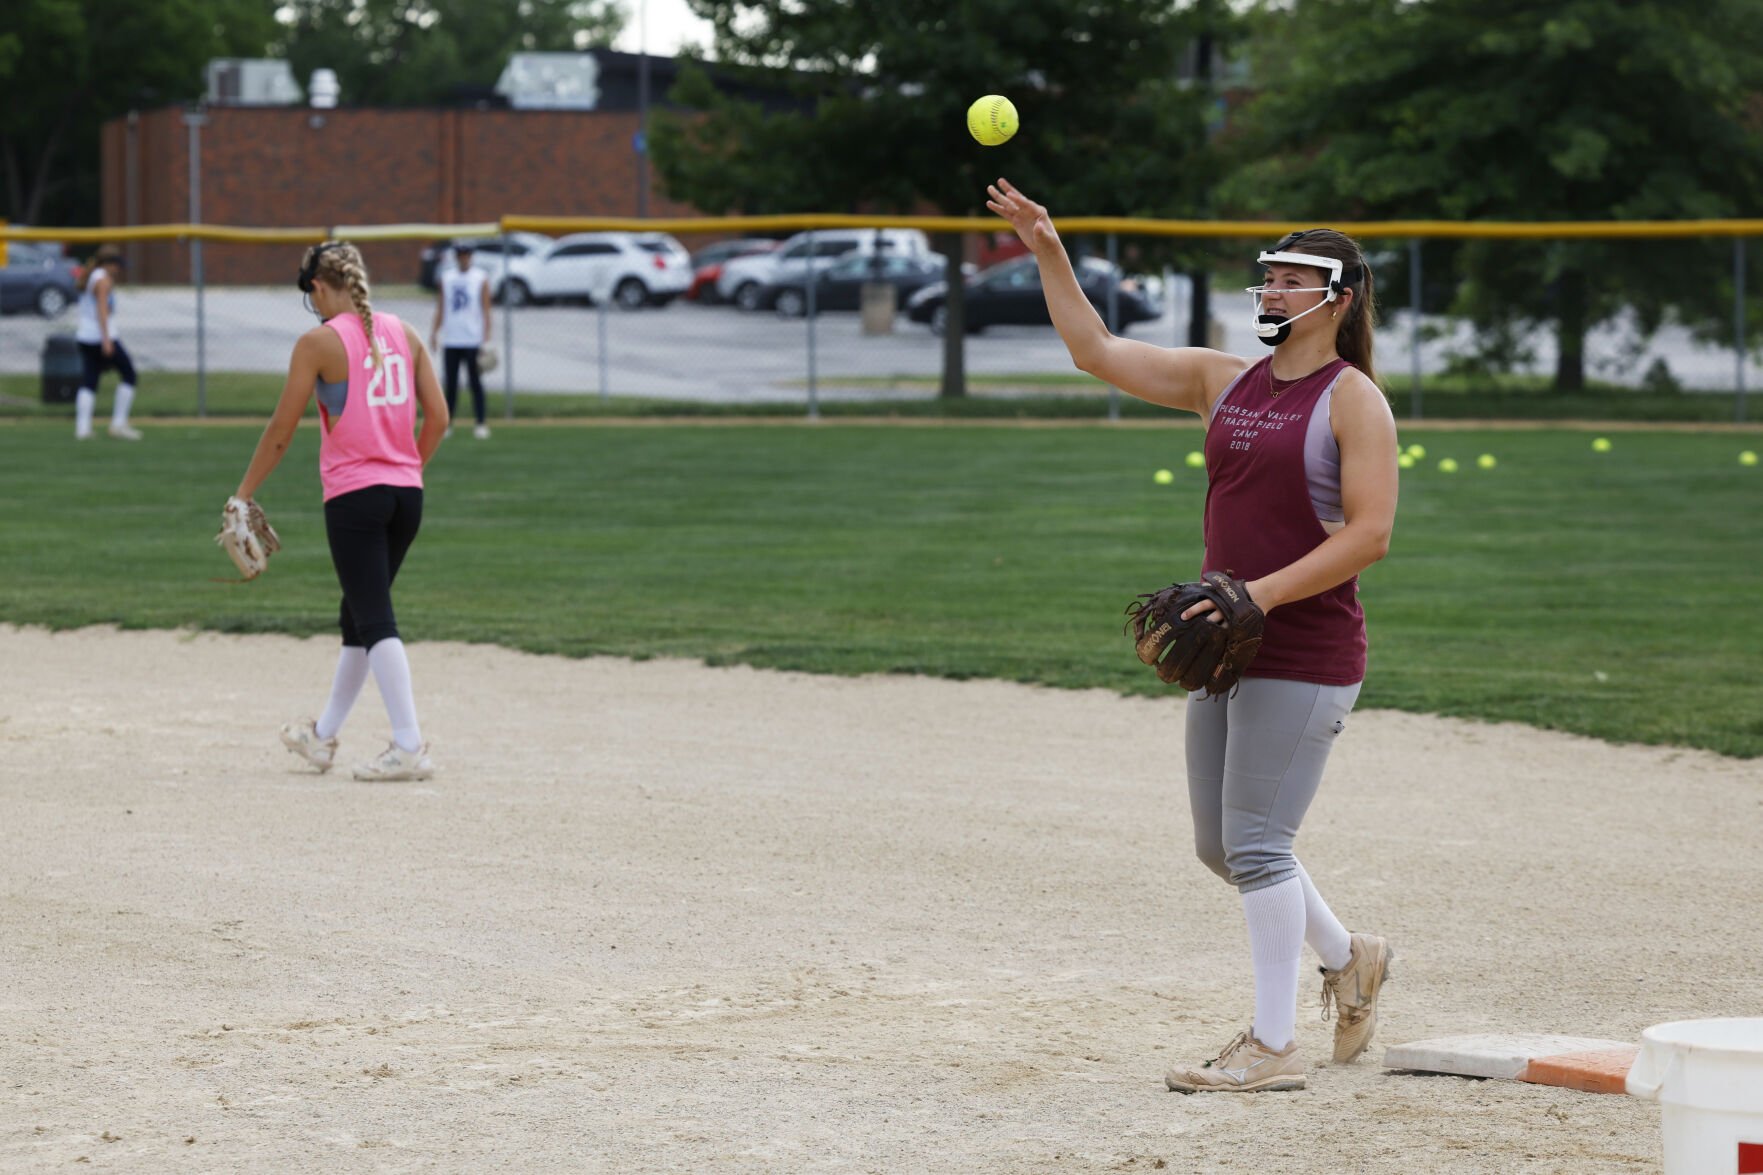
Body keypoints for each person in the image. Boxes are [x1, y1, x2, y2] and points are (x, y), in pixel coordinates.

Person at [986, 179, 1400, 1094]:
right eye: (1269, 278)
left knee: (1256, 843)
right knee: (1223, 847)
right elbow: (1093, 351)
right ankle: (1349, 956)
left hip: (1306, 651)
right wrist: (1047, 245)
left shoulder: (1352, 399)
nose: (1273, 292)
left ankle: (1271, 1045)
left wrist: (1256, 593)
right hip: (1230, 639)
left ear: (1338, 297)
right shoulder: (1226, 380)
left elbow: (1368, 534)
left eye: (1293, 279)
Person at [233, 241, 449, 781]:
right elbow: (439, 420)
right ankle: (322, 736)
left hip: (355, 496)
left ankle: (409, 745)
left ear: (317, 288)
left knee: (375, 619)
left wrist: (244, 493)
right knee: (357, 614)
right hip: (406, 495)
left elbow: (281, 432)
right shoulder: (407, 332)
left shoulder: (319, 343)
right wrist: (406, 469)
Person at [72, 246, 141, 440]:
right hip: (100, 337)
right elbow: (101, 311)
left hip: (85, 336)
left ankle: (83, 429)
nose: (118, 270)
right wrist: (106, 340)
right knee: (129, 374)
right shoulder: (102, 279)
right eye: (117, 265)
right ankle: (118, 424)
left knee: (90, 381)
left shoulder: (93, 275)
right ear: (109, 264)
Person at [430, 241, 494, 440]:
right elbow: (441, 307)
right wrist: (435, 332)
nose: (463, 258)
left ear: (471, 256)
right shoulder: (447, 277)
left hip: (473, 339)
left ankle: (481, 422)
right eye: (460, 255)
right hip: (452, 338)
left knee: (476, 383)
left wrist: (486, 339)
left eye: (466, 255)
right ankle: (447, 424)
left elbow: (485, 309)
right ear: (456, 257)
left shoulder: (480, 277)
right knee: (450, 384)